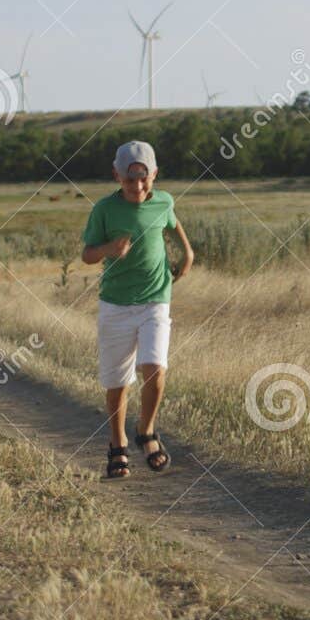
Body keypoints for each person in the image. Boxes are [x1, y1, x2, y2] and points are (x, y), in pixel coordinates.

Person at [80, 141, 194, 479]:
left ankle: (146, 430)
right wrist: (107, 250)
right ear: (117, 176)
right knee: (117, 382)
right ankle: (118, 445)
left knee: (155, 369)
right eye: (130, 181)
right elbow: (87, 255)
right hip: (115, 303)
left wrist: (186, 253)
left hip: (155, 299)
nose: (138, 187)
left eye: (144, 180)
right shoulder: (104, 209)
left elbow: (173, 224)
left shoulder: (164, 201)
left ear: (154, 174)